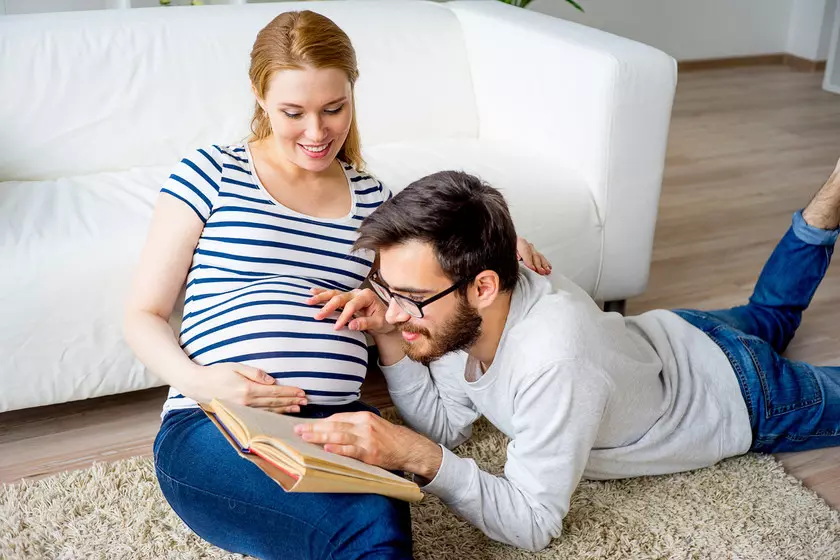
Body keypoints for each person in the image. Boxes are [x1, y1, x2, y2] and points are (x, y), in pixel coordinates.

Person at [123, 10, 548, 559]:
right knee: (358, 534)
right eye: (293, 112)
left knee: (376, 523)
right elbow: (142, 315)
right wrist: (203, 383)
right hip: (215, 419)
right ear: (259, 97)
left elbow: (439, 258)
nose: (317, 132)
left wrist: (499, 241)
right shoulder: (212, 172)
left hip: (341, 424)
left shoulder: (375, 201)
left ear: (352, 93)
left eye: (334, 109)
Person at [299, 160, 840, 552]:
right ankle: (827, 206)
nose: (391, 311)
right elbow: (445, 422)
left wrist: (418, 457)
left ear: (484, 287)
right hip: (678, 331)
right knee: (769, 315)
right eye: (384, 287)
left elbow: (534, 523)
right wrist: (392, 335)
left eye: (409, 299)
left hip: (740, 395)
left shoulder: (553, 364)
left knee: (778, 332)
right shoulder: (473, 291)